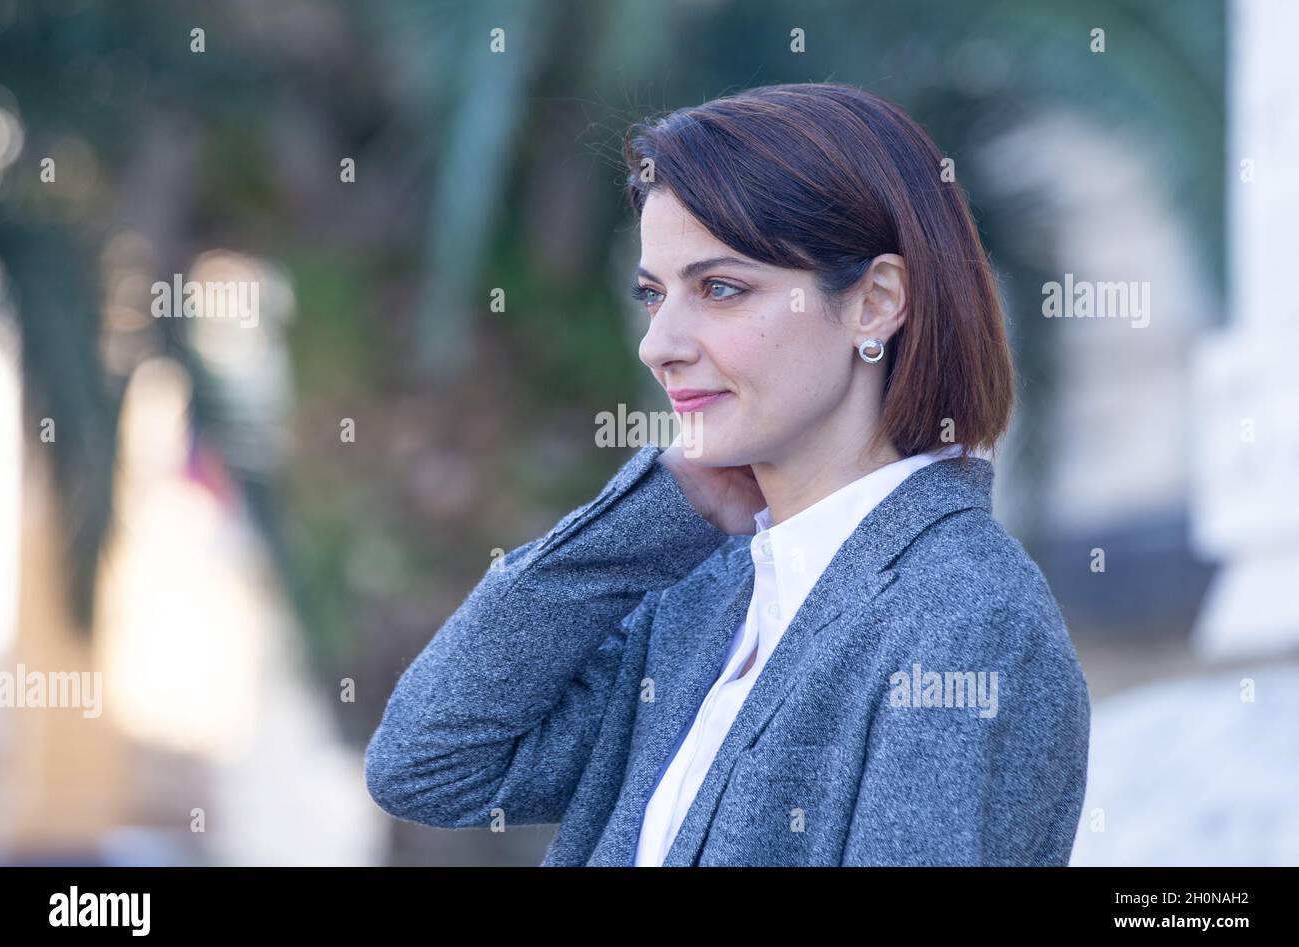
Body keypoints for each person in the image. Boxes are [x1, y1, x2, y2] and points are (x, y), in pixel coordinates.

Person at [365, 81, 1091, 866]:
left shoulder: (961, 619)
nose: (659, 344)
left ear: (876, 302)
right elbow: (427, 765)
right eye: (653, 295)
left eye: (720, 289)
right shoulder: (700, 595)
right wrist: (644, 518)